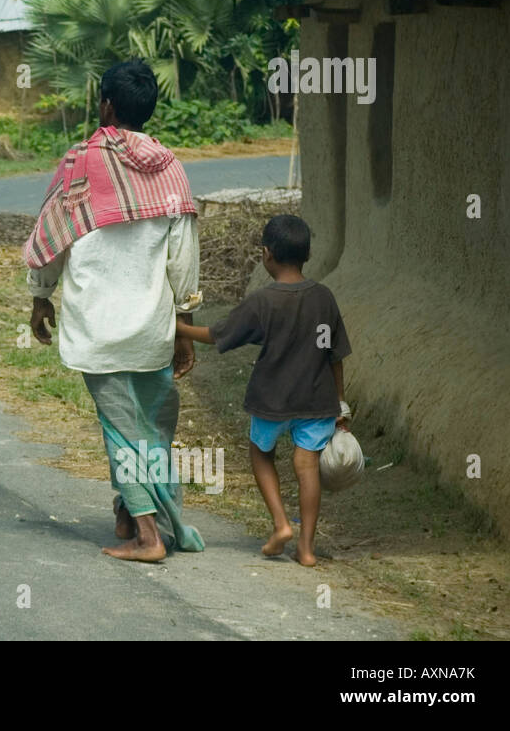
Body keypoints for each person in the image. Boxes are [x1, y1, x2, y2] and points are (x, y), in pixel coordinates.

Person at [25, 59, 204, 563]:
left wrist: (41, 294)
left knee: (121, 428)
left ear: (105, 106)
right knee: (151, 424)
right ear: (149, 108)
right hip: (152, 325)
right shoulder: (170, 167)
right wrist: (184, 328)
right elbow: (182, 258)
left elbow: (51, 234)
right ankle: (140, 515)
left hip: (98, 327)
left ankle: (148, 537)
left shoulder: (80, 161)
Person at [175, 214, 352, 567]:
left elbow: (217, 335)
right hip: (318, 399)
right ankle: (306, 548)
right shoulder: (324, 298)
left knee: (261, 453)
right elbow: (336, 357)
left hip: (272, 399)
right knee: (307, 465)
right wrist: (341, 404)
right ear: (307, 255)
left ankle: (281, 524)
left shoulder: (263, 301)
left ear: (266, 254)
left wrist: (177, 326)